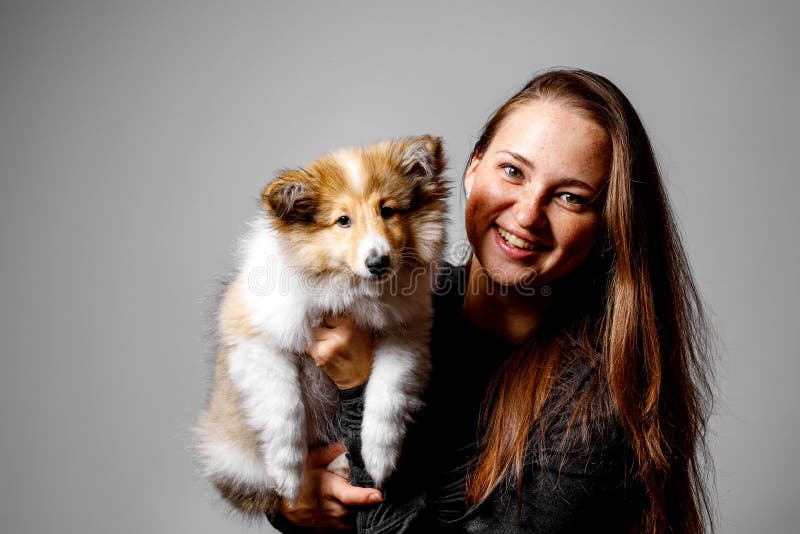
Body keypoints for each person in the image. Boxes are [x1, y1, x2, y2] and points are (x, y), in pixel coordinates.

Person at [270, 68, 714, 533]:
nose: (527, 216)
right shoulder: (399, 302)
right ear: (472, 168)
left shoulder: (598, 403)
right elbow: (297, 459)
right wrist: (291, 500)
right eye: (512, 171)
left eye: (569, 197)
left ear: (607, 225)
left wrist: (362, 385)